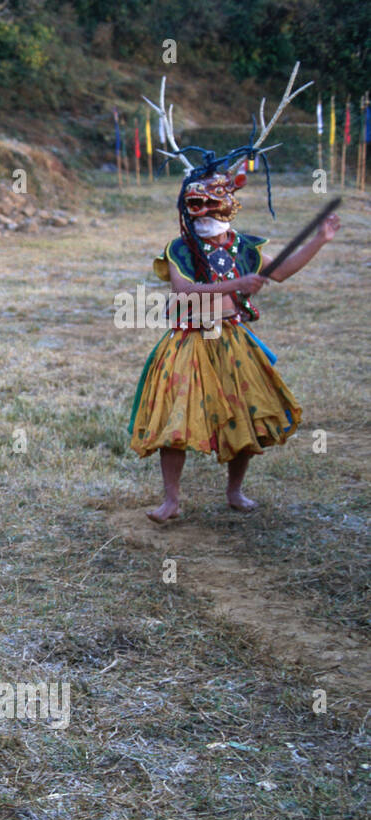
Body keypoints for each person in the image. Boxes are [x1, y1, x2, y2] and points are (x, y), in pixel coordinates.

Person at [130, 73, 338, 522]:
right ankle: (171, 500)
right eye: (192, 204)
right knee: (175, 422)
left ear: (226, 204)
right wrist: (233, 286)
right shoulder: (181, 248)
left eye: (206, 204)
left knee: (246, 414)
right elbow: (185, 293)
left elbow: (279, 273)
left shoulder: (242, 247)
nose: (197, 211)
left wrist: (318, 241)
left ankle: (235, 491)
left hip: (234, 340)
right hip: (189, 341)